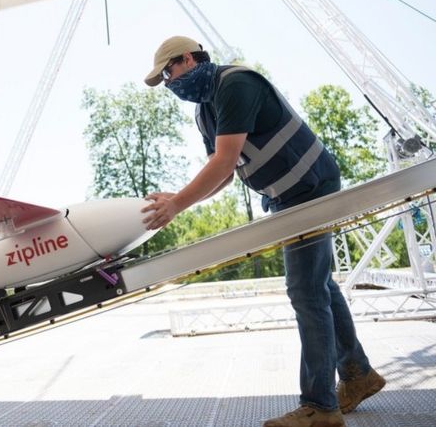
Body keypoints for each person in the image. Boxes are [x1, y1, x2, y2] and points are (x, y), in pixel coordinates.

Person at [141, 36, 386, 427]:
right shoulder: (205, 112)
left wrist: (176, 205)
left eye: (169, 73)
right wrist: (179, 196)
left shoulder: (235, 84)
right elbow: (225, 171)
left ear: (188, 59)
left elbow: (223, 164)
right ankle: (358, 375)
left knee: (305, 291)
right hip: (288, 197)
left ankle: (321, 407)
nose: (170, 84)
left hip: (310, 186)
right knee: (319, 286)